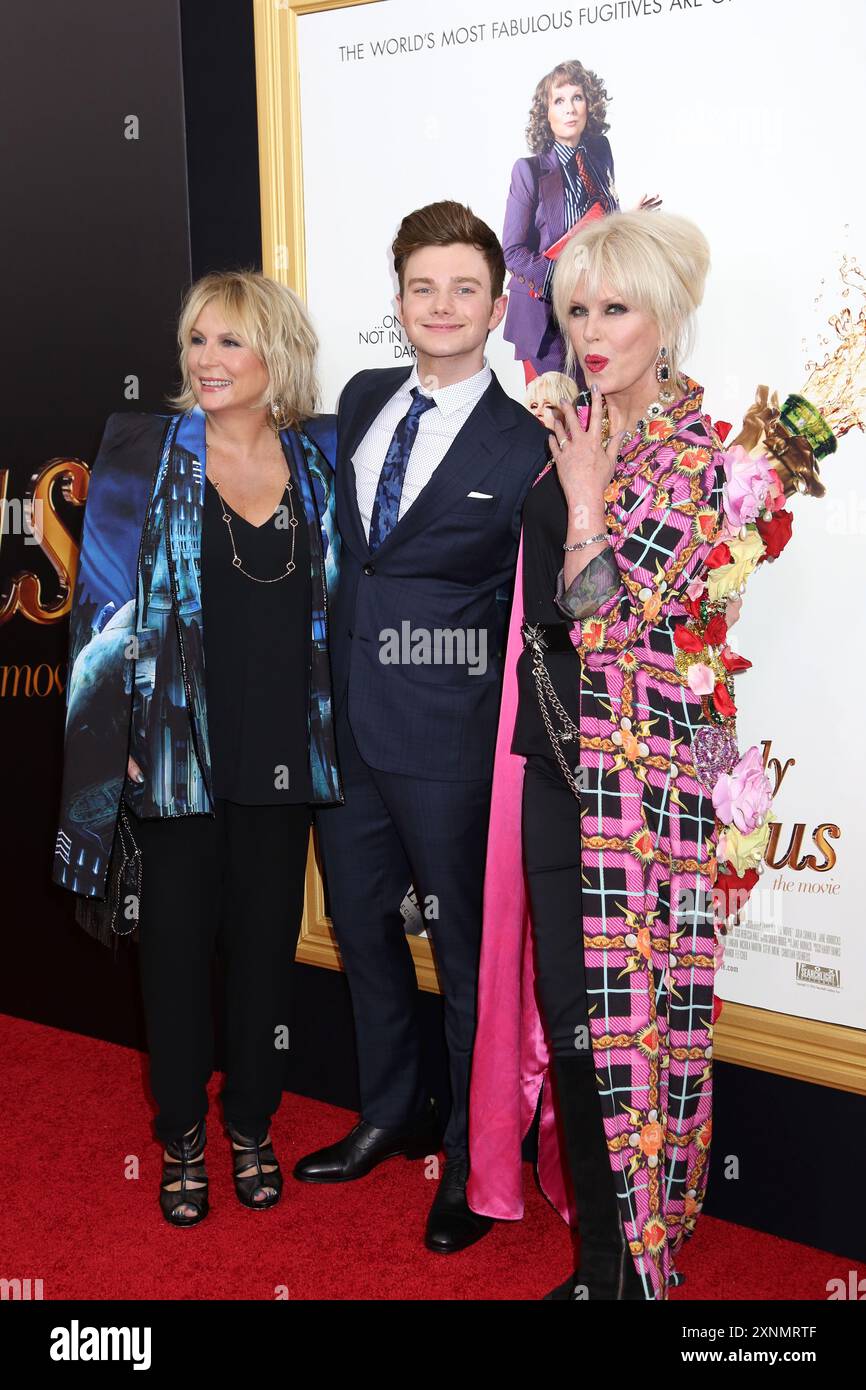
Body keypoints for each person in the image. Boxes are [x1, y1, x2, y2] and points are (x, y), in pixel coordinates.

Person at [467, 210, 741, 1299]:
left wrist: (583, 500)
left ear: (663, 318)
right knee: (576, 1025)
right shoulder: (575, 420)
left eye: (612, 309)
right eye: (574, 307)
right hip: (552, 763)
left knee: (638, 1022)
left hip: (642, 786)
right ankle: (601, 1259)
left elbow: (608, 622)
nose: (587, 329)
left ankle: (634, 1264)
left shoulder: (695, 453)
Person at [52, 270, 342, 1226]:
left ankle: (251, 1122)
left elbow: (340, 611)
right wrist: (115, 744)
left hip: (282, 757)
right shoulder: (141, 453)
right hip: (171, 754)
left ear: (277, 357)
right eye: (196, 342)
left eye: (229, 342)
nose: (206, 362)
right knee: (174, 957)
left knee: (263, 953)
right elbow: (98, 615)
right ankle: (181, 1135)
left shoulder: (318, 464)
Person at [293, 201, 550, 1254]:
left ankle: (474, 1157)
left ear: (497, 303)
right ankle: (393, 1111)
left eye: (463, 288)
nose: (440, 306)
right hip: (344, 728)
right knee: (361, 932)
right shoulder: (357, 401)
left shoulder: (528, 438)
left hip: (451, 743)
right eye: (420, 286)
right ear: (397, 300)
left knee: (465, 956)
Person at [502, 59, 660, 387]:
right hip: (543, 312)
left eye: (577, 98)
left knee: (594, 404)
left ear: (589, 104)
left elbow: (599, 222)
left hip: (590, 306)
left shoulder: (599, 154)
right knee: (558, 408)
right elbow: (512, 252)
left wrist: (629, 222)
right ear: (545, 113)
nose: (570, 108)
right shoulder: (528, 170)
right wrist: (563, 280)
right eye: (559, 100)